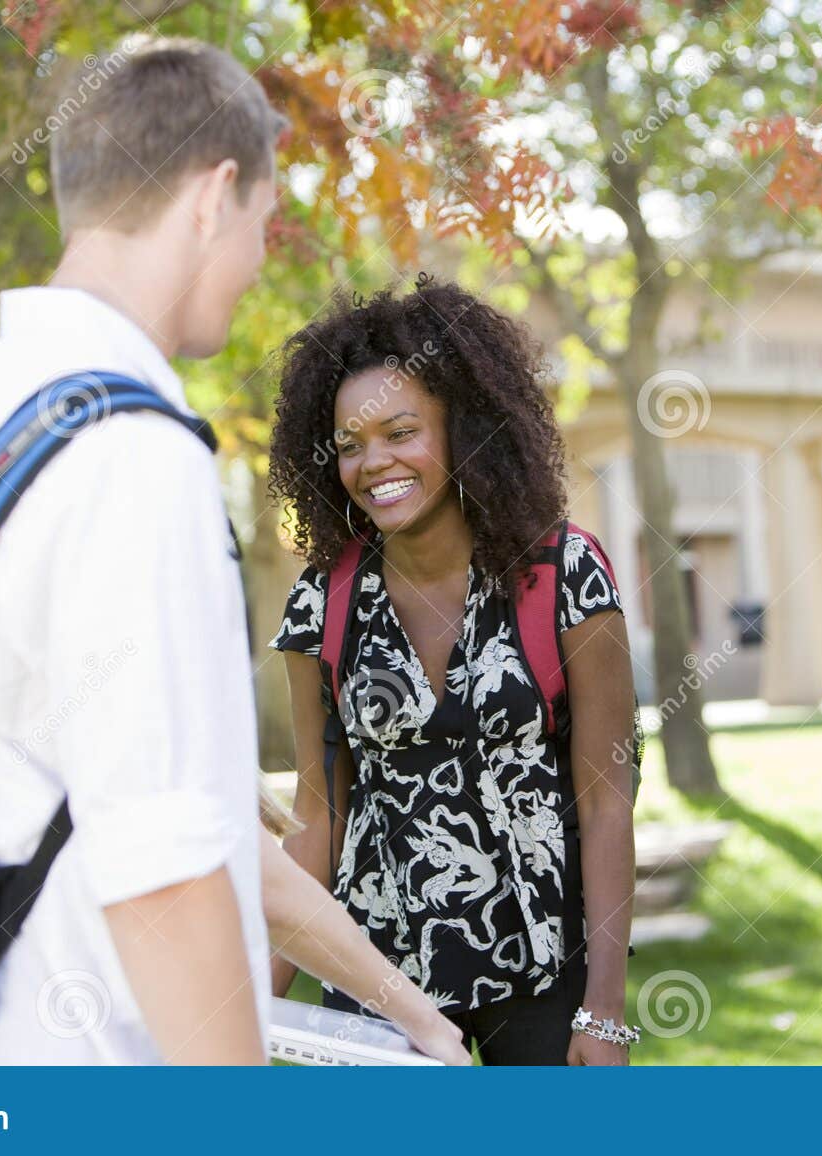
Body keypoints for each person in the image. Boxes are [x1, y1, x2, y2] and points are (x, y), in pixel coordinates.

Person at [0, 36, 465, 1067]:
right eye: (263, 221)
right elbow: (168, 876)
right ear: (213, 197)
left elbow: (199, 819)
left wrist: (412, 1010)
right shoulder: (132, 448)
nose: (261, 259)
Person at [266, 279, 639, 1065]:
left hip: (544, 972)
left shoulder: (564, 575)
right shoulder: (322, 603)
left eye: (401, 432)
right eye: (350, 444)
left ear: (463, 430)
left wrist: (604, 1011)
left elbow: (608, 802)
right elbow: (317, 817)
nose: (375, 462)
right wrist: (247, 1007)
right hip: (377, 980)